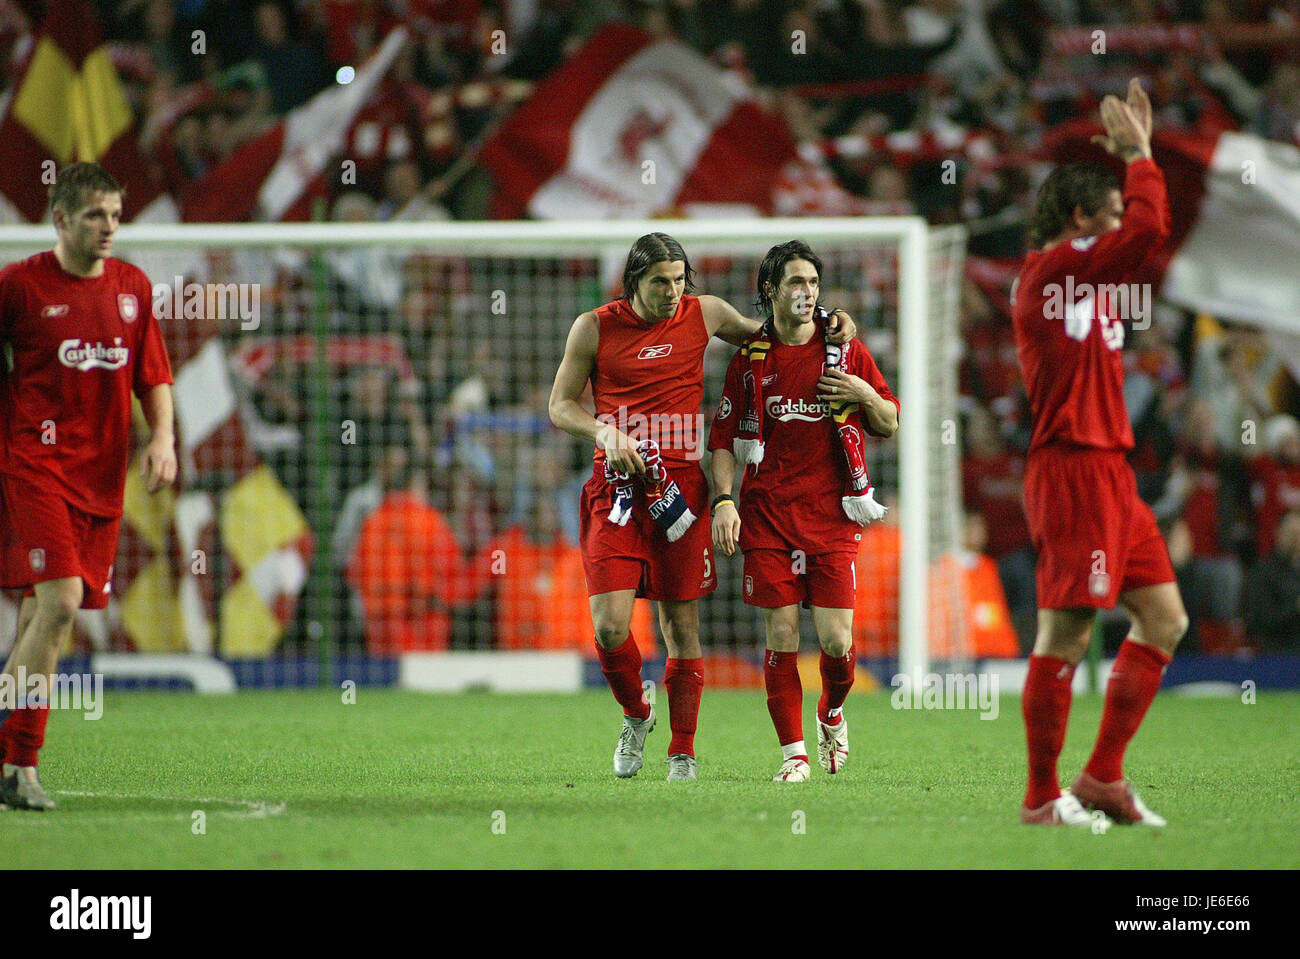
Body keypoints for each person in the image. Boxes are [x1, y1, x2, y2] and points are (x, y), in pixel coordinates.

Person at [548, 233, 855, 781]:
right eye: (659, 282)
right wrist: (603, 430)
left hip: (681, 494)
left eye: (679, 279)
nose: (672, 291)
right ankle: (637, 715)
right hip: (616, 490)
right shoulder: (593, 326)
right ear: (633, 282)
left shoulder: (706, 313)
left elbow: (776, 332)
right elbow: (559, 405)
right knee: (610, 626)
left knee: (681, 626)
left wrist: (831, 320)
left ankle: (682, 750)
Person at [1012, 79, 1187, 828]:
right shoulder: (1051, 273)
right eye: (1107, 217)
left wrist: (1137, 171)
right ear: (1081, 221)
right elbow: (1147, 232)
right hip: (1073, 468)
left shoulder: (1085, 281)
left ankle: (1102, 779)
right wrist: (1140, 158)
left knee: (1166, 617)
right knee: (1068, 633)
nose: (1122, 231)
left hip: (1112, 473)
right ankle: (1041, 798)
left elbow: (1146, 239)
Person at [0, 163, 177, 810]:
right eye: (95, 215)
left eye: (115, 215)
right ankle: (19, 762)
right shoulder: (18, 287)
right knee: (62, 603)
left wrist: (163, 440)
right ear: (61, 219)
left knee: (41, 619)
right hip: (33, 466)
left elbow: (153, 375)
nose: (109, 227)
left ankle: (13, 762)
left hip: (101, 480)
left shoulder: (132, 288)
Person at [708, 240, 897, 782]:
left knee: (837, 642)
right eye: (795, 282)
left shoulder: (844, 351)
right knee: (783, 636)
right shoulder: (748, 361)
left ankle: (831, 713)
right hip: (767, 514)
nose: (807, 292)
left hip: (833, 516)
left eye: (813, 283)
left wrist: (862, 391)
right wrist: (724, 500)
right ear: (770, 290)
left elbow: (887, 421)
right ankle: (794, 754)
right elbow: (722, 440)